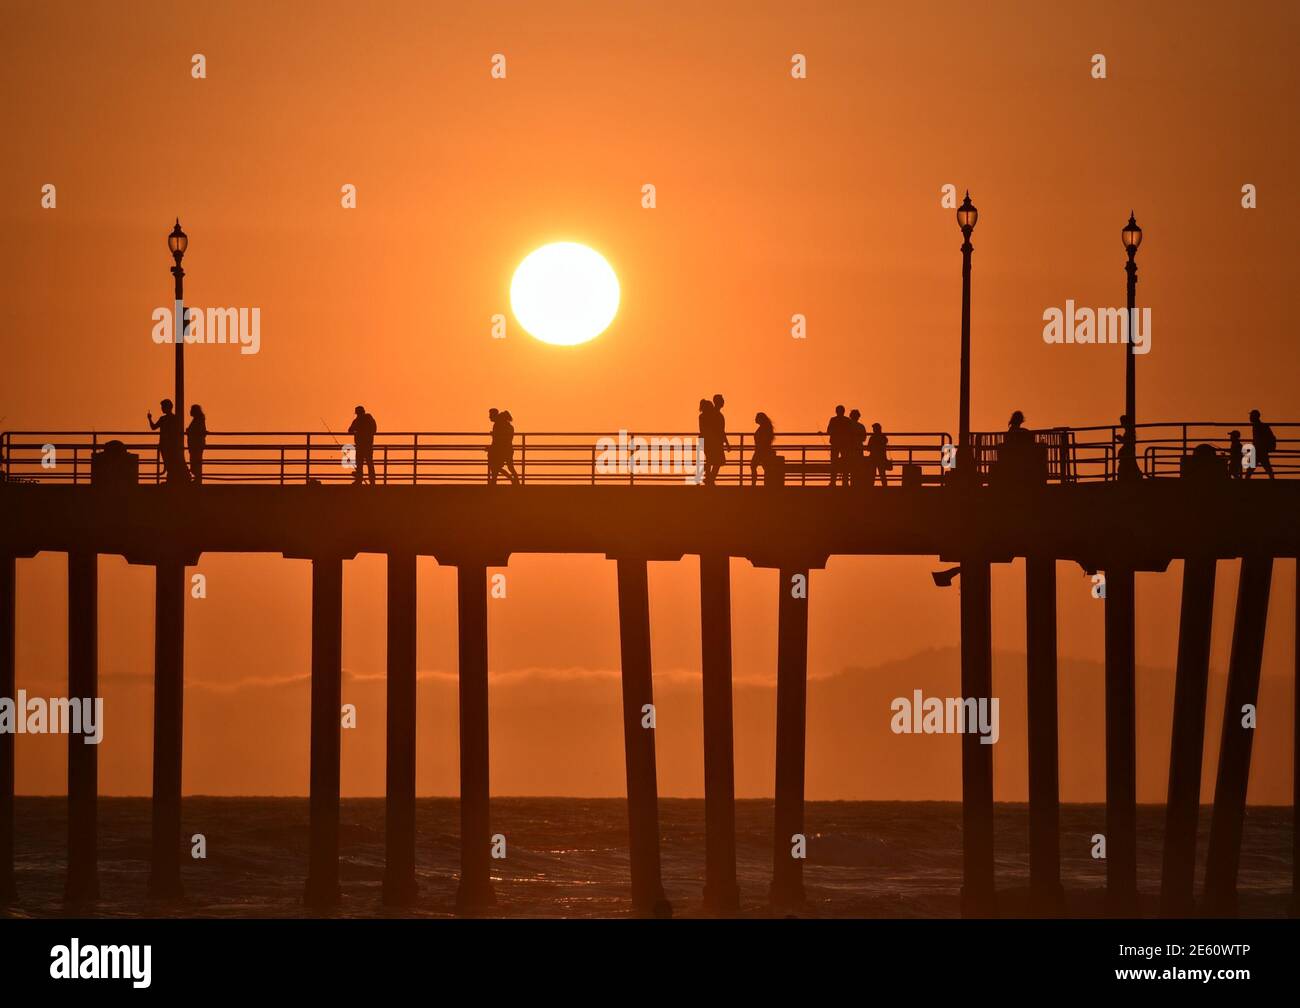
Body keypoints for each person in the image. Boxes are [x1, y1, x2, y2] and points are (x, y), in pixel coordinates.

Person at [147, 398, 185, 484]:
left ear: (167, 407)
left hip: (165, 445)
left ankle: (171, 480)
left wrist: (149, 419)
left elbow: (153, 427)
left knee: (168, 463)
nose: (162, 408)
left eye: (163, 407)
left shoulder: (163, 419)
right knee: (171, 463)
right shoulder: (175, 418)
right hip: (172, 445)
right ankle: (172, 479)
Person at [701, 395, 728, 485]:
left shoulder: (711, 413)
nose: (723, 402)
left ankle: (709, 478)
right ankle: (710, 479)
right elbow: (721, 431)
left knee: (711, 460)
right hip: (715, 442)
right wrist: (726, 443)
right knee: (717, 461)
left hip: (710, 441)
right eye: (722, 401)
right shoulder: (717, 415)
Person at [488, 407, 520, 485]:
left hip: (501, 450)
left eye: (490, 415)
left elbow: (497, 440)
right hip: (507, 449)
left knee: (495, 467)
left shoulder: (498, 424)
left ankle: (511, 480)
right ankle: (516, 481)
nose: (489, 417)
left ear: (494, 415)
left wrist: (491, 448)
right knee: (509, 467)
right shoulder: (505, 424)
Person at [347, 405, 377, 485]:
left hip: (360, 446)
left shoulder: (357, 420)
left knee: (359, 463)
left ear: (357, 413)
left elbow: (350, 430)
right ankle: (372, 481)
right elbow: (374, 429)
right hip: (369, 445)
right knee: (370, 463)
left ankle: (359, 480)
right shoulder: (369, 418)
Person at [1246, 409, 1276, 479]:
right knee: (1267, 468)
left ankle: (1245, 483)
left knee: (1250, 470)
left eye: (1251, 416)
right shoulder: (1261, 426)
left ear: (1254, 417)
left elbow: (1258, 440)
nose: (1250, 417)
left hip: (1259, 450)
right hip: (1261, 450)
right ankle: (1273, 481)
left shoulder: (1257, 426)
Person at [825, 405, 850, 486]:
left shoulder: (833, 420)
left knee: (834, 463)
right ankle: (845, 481)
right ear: (844, 411)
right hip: (845, 444)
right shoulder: (847, 420)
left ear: (836, 411)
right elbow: (850, 432)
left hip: (835, 444)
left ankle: (833, 482)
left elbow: (828, 431)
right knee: (845, 463)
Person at [751, 412, 777, 485]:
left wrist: (760, 447)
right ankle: (768, 483)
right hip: (762, 450)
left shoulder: (764, 428)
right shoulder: (765, 427)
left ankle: (754, 484)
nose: (755, 419)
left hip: (761, 450)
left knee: (754, 466)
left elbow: (764, 440)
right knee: (765, 467)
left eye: (756, 417)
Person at [186, 404, 207, 484]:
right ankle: (197, 478)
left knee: (195, 461)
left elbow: (198, 431)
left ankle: (197, 479)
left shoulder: (198, 420)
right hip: (196, 445)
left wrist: (189, 431)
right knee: (196, 461)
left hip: (196, 445)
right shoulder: (199, 419)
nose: (190, 412)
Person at [846, 409, 867, 486]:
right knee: (857, 467)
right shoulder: (861, 426)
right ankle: (856, 483)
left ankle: (847, 483)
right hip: (858, 449)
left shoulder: (846, 425)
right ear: (858, 417)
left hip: (849, 449)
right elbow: (864, 438)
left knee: (848, 466)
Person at [1115, 413, 1139, 482]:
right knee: (1126, 468)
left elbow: (1128, 443)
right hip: (1126, 456)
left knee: (1124, 469)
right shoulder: (1129, 432)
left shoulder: (1129, 432)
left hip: (1127, 456)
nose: (1121, 425)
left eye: (1122, 423)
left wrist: (1121, 439)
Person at [866, 422, 890, 487]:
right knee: (882, 473)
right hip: (881, 458)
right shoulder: (883, 437)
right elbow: (885, 442)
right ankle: (885, 487)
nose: (873, 430)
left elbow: (868, 448)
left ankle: (871, 486)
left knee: (872, 474)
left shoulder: (872, 437)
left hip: (873, 458)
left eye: (874, 429)